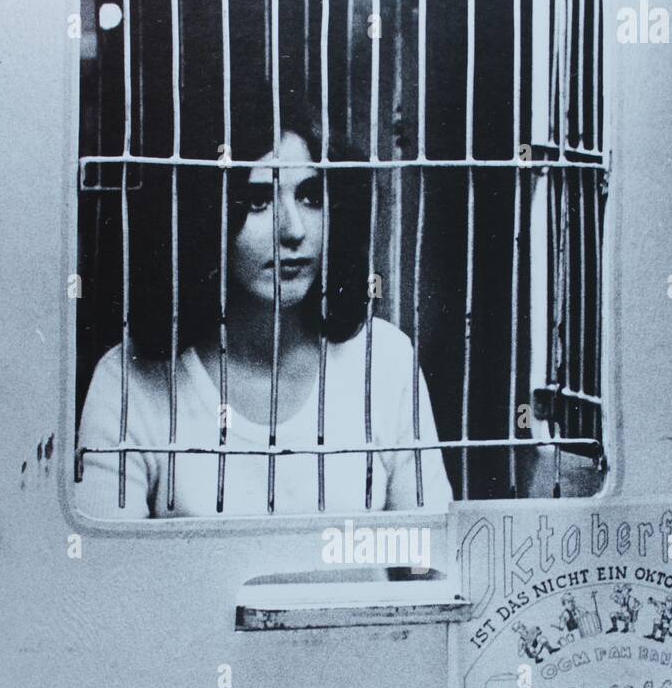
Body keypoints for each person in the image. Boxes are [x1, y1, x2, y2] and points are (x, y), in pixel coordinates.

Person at [77, 100, 452, 519]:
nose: (293, 229)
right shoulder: (128, 382)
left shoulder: (384, 362)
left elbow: (431, 558)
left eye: (310, 196)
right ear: (202, 213)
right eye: (257, 201)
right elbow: (101, 574)